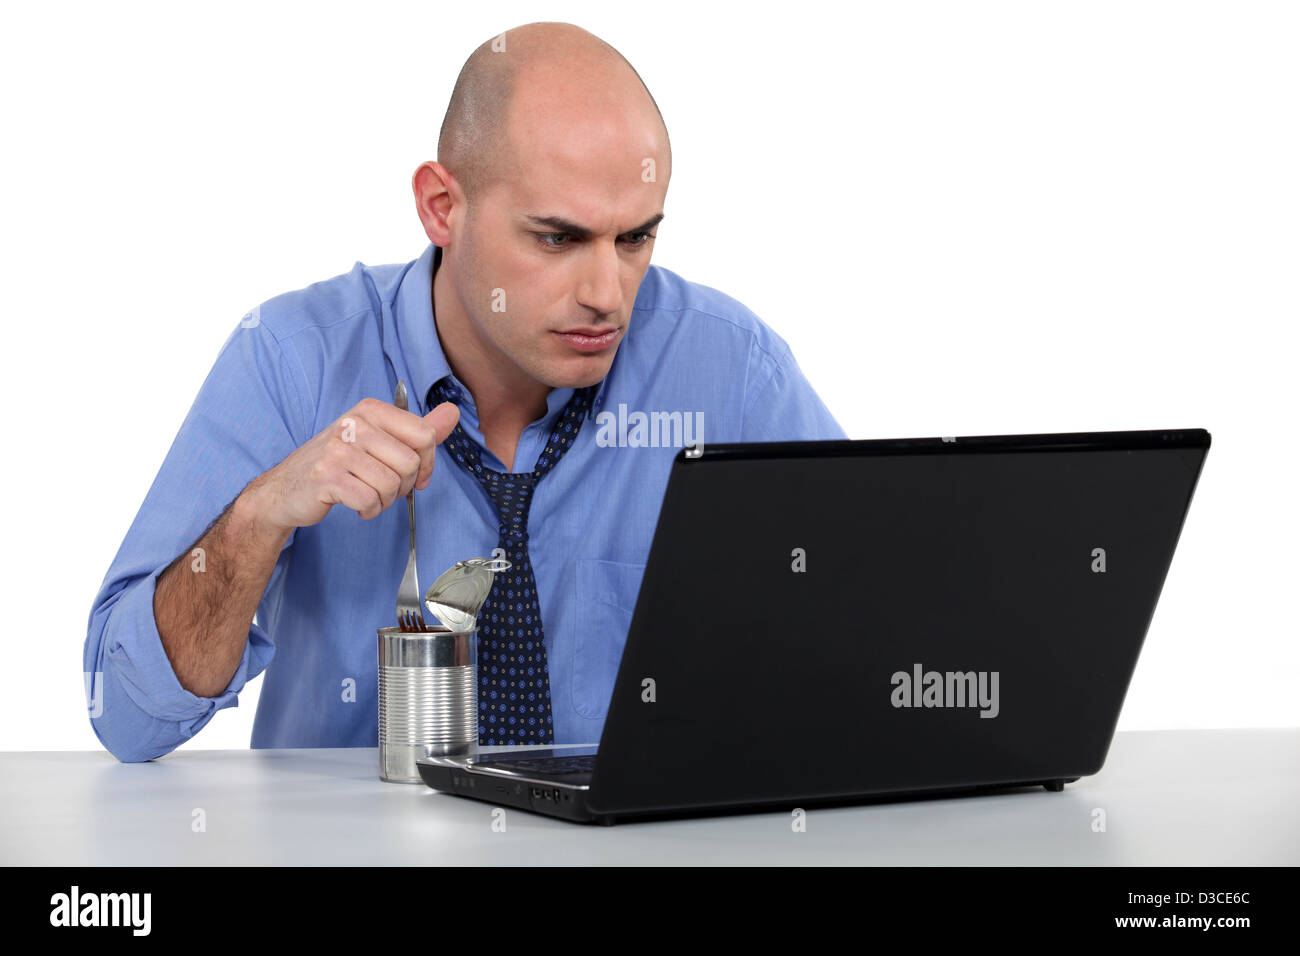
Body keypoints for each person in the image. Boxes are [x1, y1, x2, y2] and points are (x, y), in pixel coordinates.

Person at [83, 21, 847, 762]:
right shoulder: (293, 359)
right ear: (442, 208)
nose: (607, 294)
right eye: (558, 238)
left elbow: (869, 643)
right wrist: (258, 518)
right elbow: (125, 716)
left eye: (635, 238)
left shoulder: (728, 367)